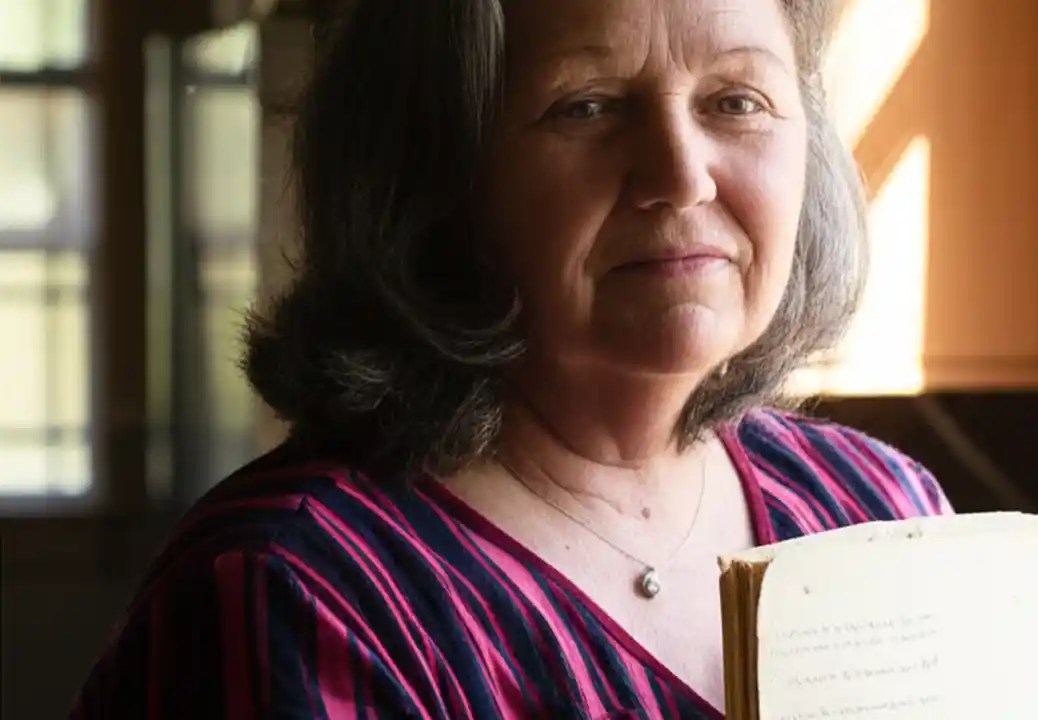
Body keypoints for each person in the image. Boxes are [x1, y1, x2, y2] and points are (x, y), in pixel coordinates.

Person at [72, 0, 954, 717]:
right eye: (590, 106)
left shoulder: (885, 514)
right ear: (436, 177)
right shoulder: (302, 594)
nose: (681, 175)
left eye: (736, 101)